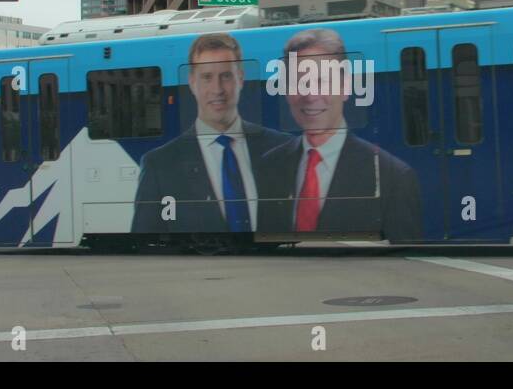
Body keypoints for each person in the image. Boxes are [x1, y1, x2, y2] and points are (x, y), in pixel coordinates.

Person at [258, 28, 423, 242]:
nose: (310, 95)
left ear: (346, 86)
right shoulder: (268, 166)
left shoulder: (394, 176)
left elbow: (406, 252)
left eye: (322, 81)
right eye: (299, 82)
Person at [131, 33, 290, 235]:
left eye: (226, 76)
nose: (217, 89)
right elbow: (144, 235)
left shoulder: (283, 149)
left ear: (240, 79)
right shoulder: (159, 165)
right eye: (207, 77)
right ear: (192, 83)